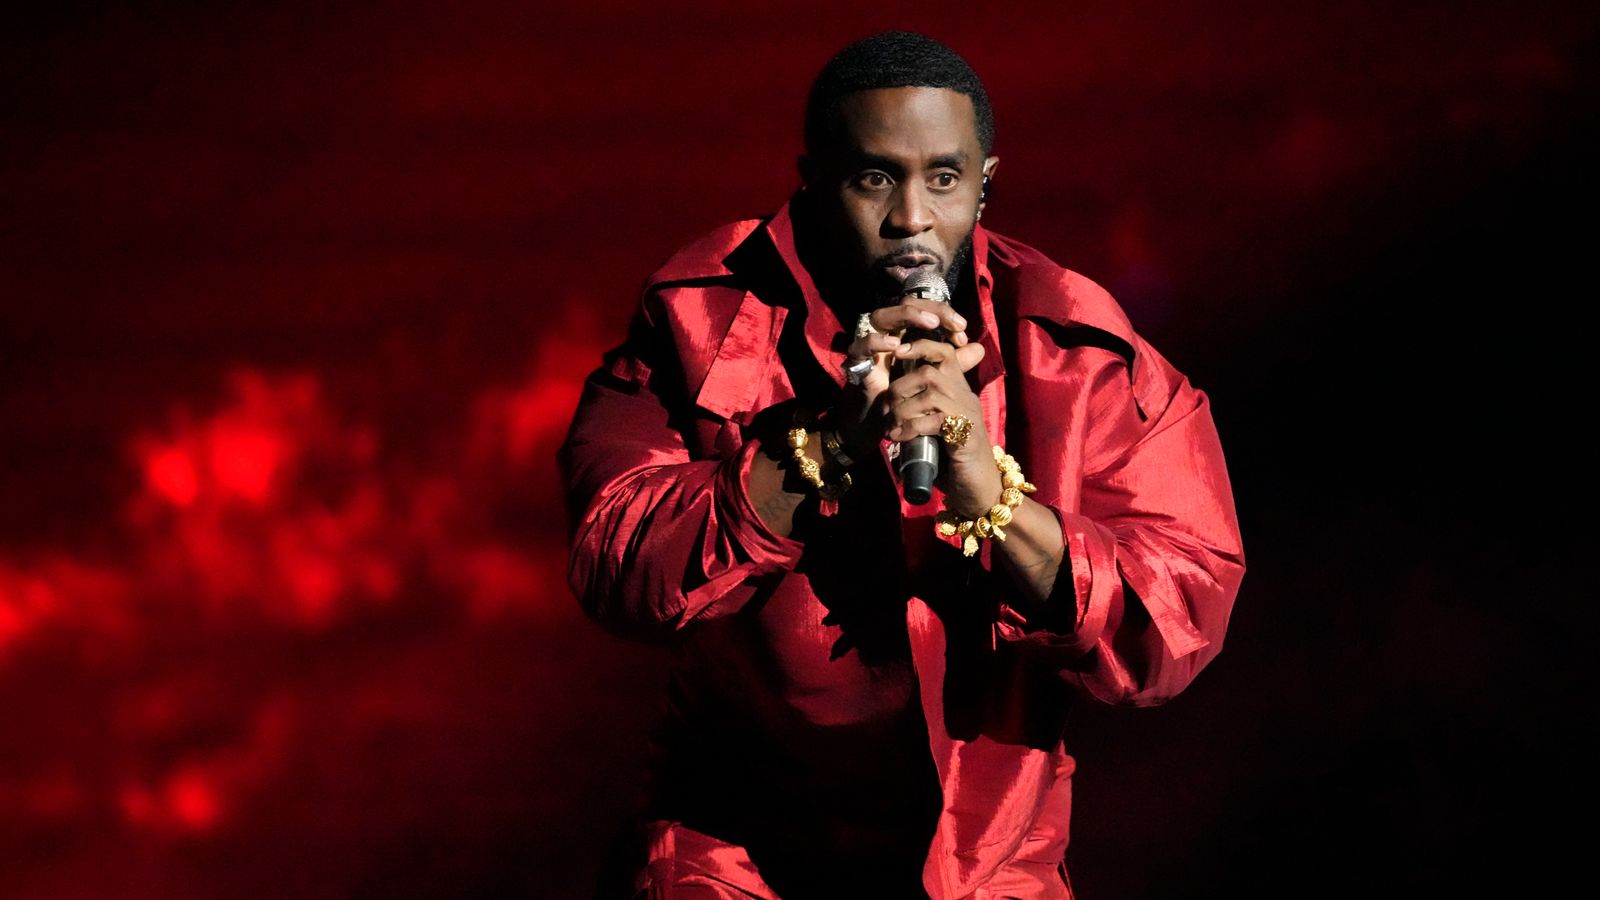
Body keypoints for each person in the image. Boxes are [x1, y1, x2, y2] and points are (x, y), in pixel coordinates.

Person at [559, 31, 1246, 900]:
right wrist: (829, 442)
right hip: (735, 859)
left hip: (993, 871)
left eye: (945, 179)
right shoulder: (699, 319)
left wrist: (990, 492)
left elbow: (1179, 616)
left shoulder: (1075, 350)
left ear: (987, 182)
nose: (912, 218)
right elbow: (617, 564)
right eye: (874, 178)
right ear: (812, 179)